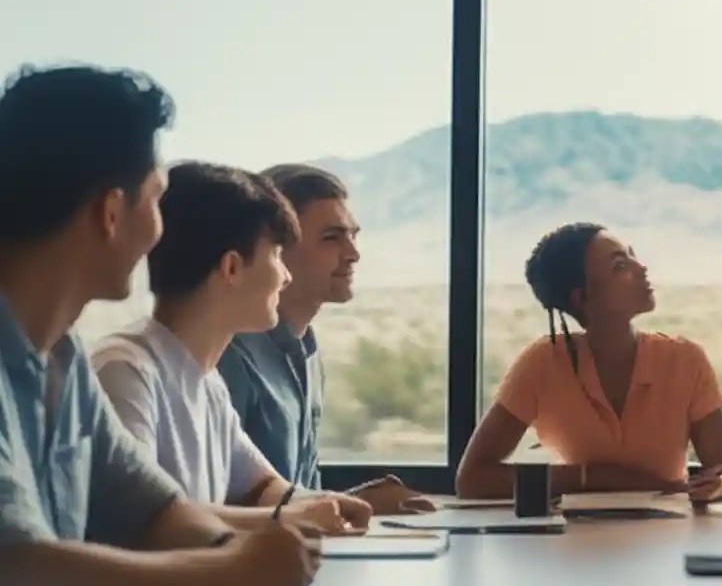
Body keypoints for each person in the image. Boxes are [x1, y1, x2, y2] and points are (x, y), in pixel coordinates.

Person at [0, 65, 317, 585]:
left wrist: (236, 549)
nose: (160, 231)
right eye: (155, 198)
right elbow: (16, 561)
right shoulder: (117, 366)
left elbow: (150, 507)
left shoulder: (65, 359)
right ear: (111, 212)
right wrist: (230, 569)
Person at [91, 162, 372, 534]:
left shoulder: (207, 381)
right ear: (232, 268)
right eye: (275, 255)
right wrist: (289, 517)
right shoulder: (125, 372)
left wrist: (332, 504)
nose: (284, 275)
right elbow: (145, 517)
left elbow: (264, 487)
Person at [456, 223, 722, 500]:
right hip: (574, 543)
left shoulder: (685, 360)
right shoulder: (542, 363)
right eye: (620, 266)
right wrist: (593, 478)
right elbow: (472, 478)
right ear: (581, 298)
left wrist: (721, 484)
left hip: (667, 536)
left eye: (632, 256)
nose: (641, 268)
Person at [218, 164, 429, 515]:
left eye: (353, 236)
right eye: (332, 238)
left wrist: (358, 499)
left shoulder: (308, 353)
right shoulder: (228, 356)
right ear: (276, 248)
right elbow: (213, 506)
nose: (353, 253)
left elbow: (295, 493)